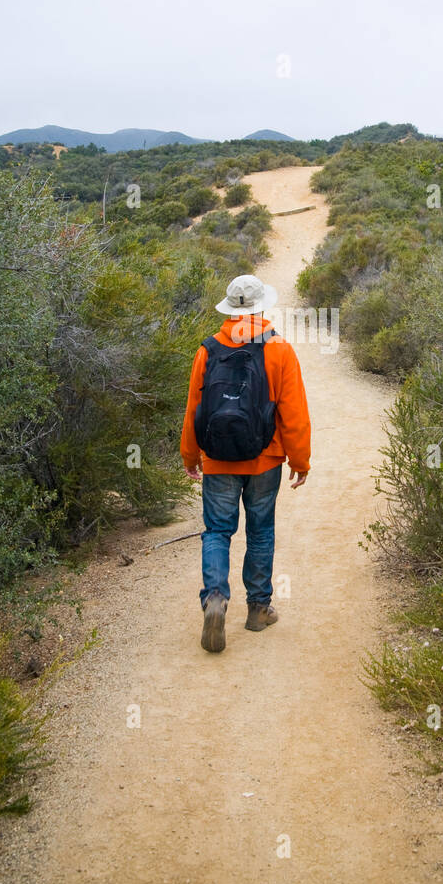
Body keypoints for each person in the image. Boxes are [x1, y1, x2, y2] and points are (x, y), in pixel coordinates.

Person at [180, 273, 311, 652]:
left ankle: (216, 598)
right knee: (260, 530)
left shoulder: (207, 350)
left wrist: (191, 455)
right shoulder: (279, 350)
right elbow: (293, 413)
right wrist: (300, 459)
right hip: (265, 459)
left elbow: (194, 409)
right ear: (262, 307)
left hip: (218, 459)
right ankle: (257, 610)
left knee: (218, 531)